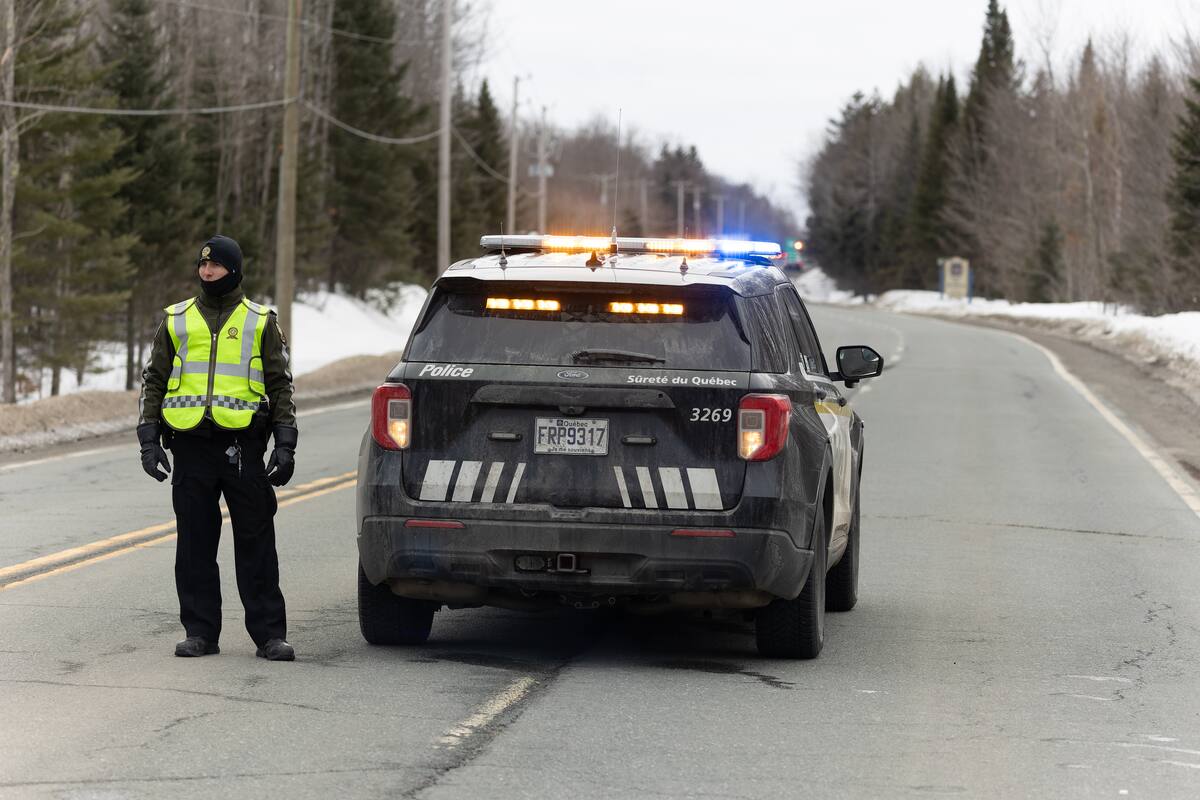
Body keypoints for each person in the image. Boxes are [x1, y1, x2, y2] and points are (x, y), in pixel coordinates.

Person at [136, 234, 298, 661]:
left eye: (216, 265)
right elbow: (154, 381)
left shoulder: (260, 321)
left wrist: (285, 443)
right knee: (194, 543)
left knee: (256, 541)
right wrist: (148, 439)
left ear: (234, 270)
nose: (207, 272)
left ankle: (270, 635)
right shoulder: (176, 319)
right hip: (190, 444)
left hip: (243, 445)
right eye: (203, 265)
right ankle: (200, 632)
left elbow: (280, 384)